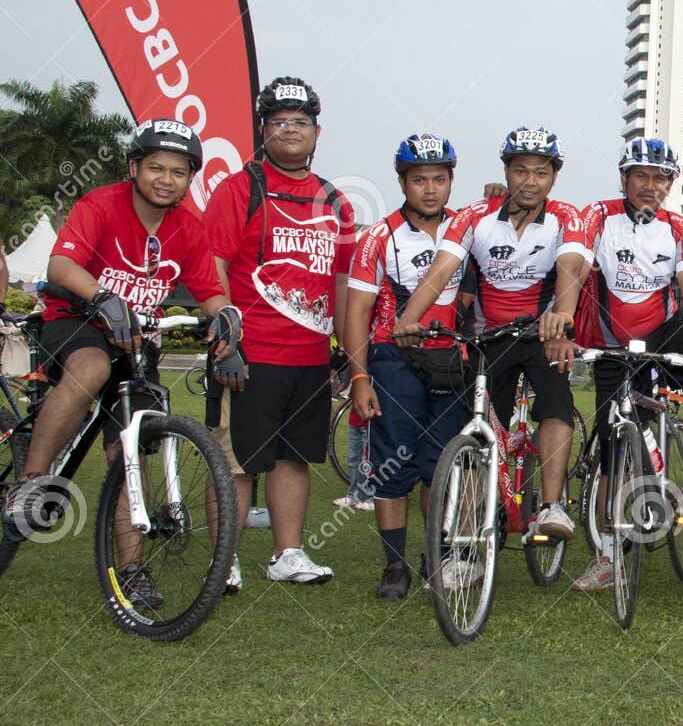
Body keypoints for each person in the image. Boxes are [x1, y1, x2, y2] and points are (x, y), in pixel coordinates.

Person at [3, 120, 243, 611]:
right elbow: (60, 267)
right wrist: (105, 295)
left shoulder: (188, 228)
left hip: (135, 341)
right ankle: (30, 483)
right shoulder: (101, 205)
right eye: (156, 167)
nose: (166, 179)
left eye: (179, 171)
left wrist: (226, 320)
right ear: (134, 167)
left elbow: (211, 292)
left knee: (127, 454)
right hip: (78, 321)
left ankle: (131, 570)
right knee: (90, 369)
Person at [540, 139, 683, 592]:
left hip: (665, 333)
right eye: (641, 175)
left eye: (661, 178)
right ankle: (607, 556)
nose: (651, 185)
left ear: (670, 185)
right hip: (611, 343)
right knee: (612, 458)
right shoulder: (598, 216)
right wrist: (563, 320)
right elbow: (575, 265)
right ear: (624, 178)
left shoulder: (678, 226)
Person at [395, 127, 580, 545]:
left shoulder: (568, 217)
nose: (529, 182)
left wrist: (563, 316)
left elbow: (571, 266)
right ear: (506, 173)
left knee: (555, 402)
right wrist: (409, 317)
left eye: (540, 173)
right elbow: (441, 267)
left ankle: (551, 506)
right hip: (488, 340)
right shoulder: (475, 215)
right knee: (477, 437)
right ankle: (464, 548)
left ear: (553, 178)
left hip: (542, 335)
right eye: (520, 171)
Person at [205, 77, 354, 586]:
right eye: (279, 122)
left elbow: (340, 281)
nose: (291, 130)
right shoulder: (239, 188)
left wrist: (340, 348)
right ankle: (223, 559)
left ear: (317, 131)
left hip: (309, 355)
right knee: (237, 461)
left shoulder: (335, 200)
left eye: (301, 122)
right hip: (249, 353)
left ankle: (285, 554)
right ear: (263, 129)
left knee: (294, 457)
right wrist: (225, 337)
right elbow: (214, 266)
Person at [345, 134, 468, 601]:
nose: (431, 190)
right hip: (393, 360)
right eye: (420, 180)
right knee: (393, 464)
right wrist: (358, 378)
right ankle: (394, 565)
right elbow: (356, 312)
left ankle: (435, 555)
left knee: (439, 467)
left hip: (450, 363)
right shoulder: (378, 236)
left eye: (440, 179)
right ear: (402, 181)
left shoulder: (467, 228)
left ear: (452, 180)